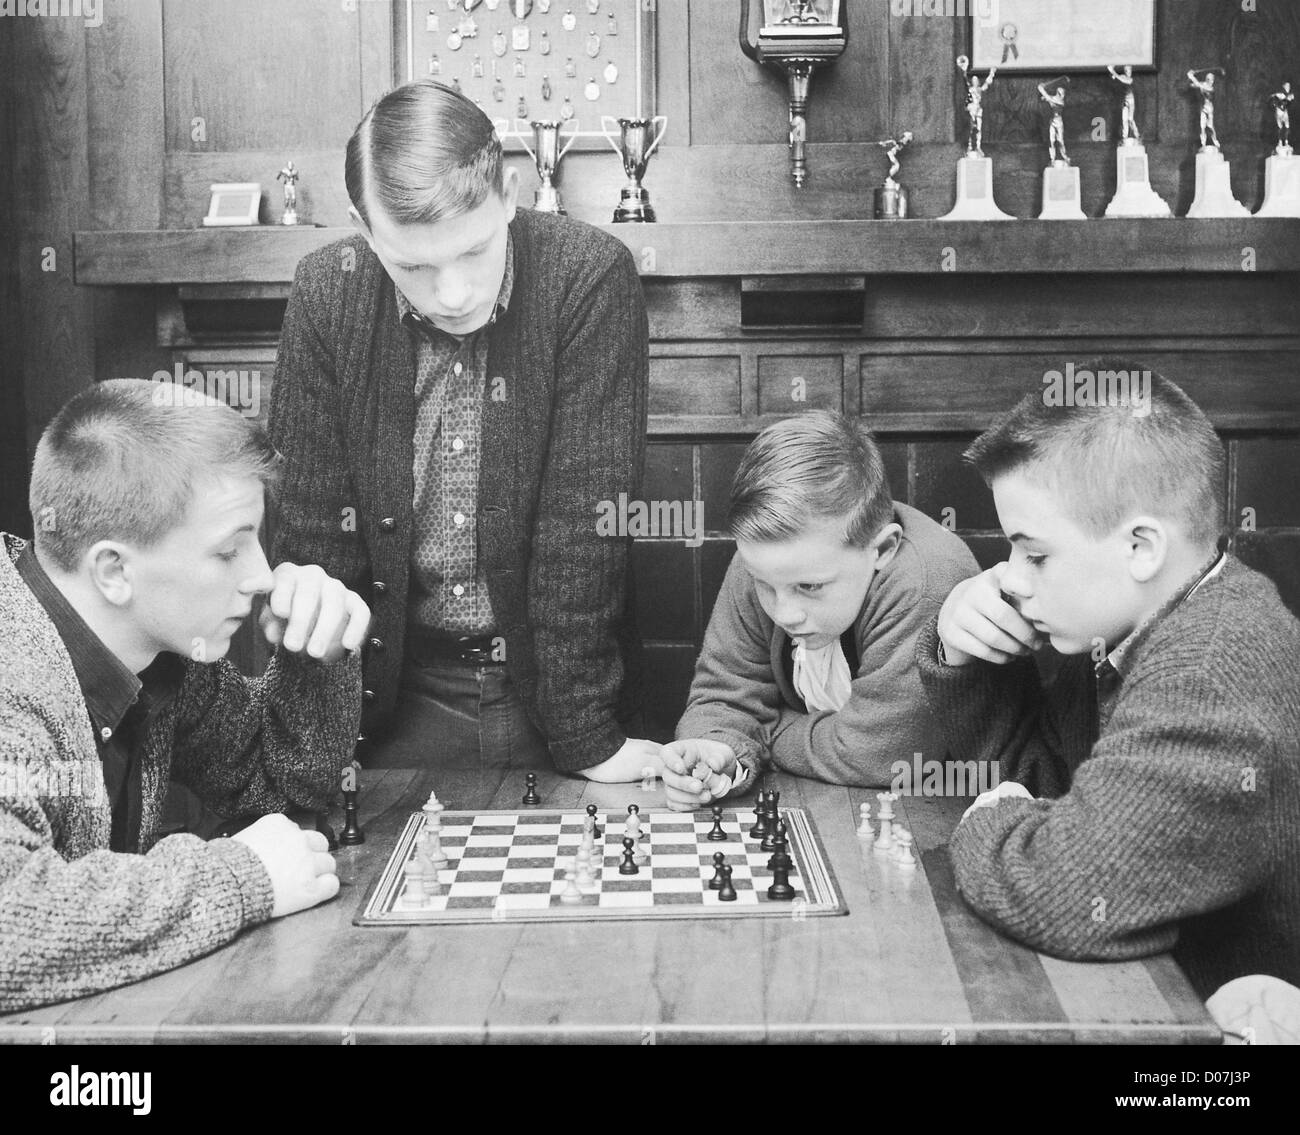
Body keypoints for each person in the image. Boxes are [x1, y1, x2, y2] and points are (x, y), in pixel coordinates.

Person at [269, 80, 657, 781]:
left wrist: (585, 735)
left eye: (475, 251)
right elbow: (315, 541)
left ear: (508, 195)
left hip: (554, 697)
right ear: (363, 227)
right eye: (414, 265)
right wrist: (314, 748)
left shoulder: (589, 278)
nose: (453, 294)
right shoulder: (327, 292)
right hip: (384, 701)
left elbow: (584, 533)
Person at [918, 362, 1300, 1005]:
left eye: (1034, 553)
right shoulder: (1125, 626)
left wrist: (991, 816)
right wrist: (963, 656)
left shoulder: (1211, 674)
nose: (1009, 578)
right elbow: (1045, 781)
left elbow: (1059, 888)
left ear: (1141, 548)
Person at [1, 380, 370, 1013]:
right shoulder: (14, 682)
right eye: (228, 550)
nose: (259, 577)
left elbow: (276, 787)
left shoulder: (164, 652)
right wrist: (238, 877)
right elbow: (12, 928)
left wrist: (316, 655)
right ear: (114, 570)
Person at [662, 412, 978, 808]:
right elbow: (721, 699)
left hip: (948, 805)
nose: (785, 612)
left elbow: (882, 756)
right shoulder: (766, 560)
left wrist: (763, 736)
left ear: (882, 549)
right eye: (764, 584)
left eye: (809, 587)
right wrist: (716, 752)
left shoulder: (925, 584)